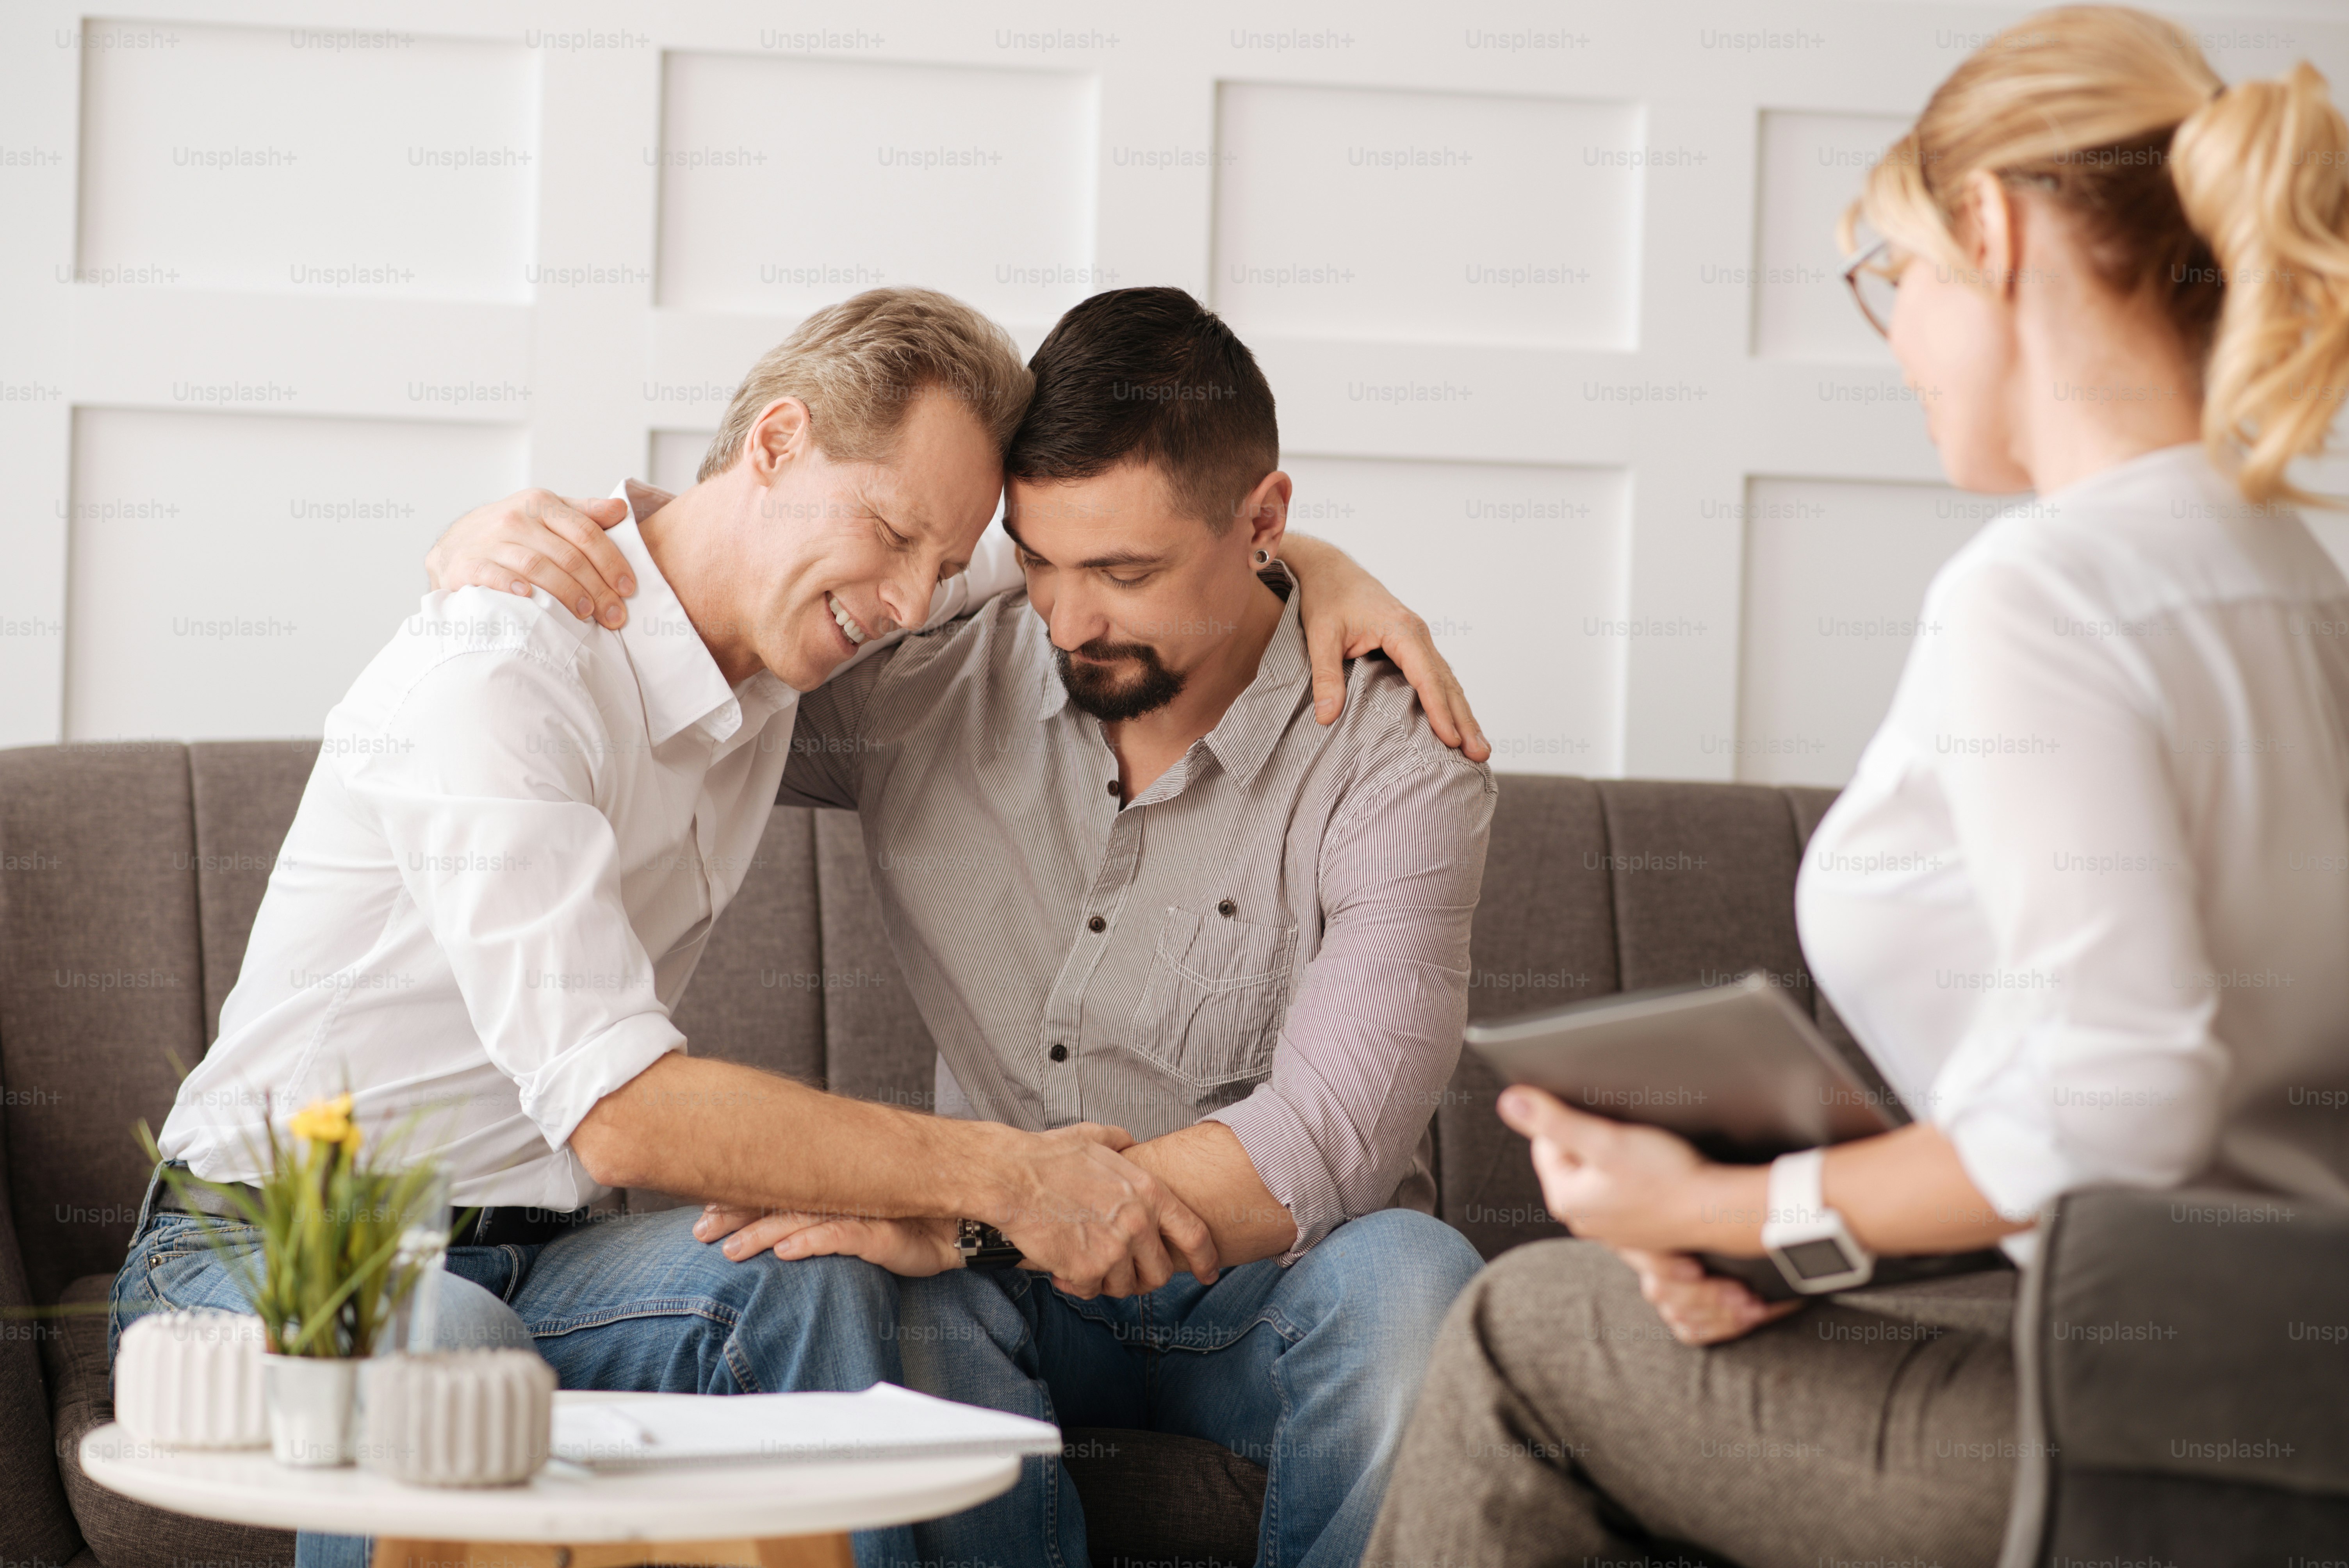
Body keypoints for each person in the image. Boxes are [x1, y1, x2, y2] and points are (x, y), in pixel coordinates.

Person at [110, 286, 1477, 1568]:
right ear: (776, 440)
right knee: (448, 1341)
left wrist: (1318, 564)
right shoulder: (530, 664)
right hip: (281, 1238)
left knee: (830, 1291)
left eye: (946, 564)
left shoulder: (808, 662)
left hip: (569, 1251)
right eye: (907, 542)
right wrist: (999, 1185)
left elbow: (1327, 1136)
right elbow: (623, 1113)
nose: (912, 601)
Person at [1363, 11, 2349, 1568]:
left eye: (1895, 279)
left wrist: (1726, 1213)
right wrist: (1801, 1239)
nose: (1893, 340)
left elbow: (2122, 1102)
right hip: (2284, 1403)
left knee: (1519, 1330)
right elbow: (2198, 1136)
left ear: (1991, 229)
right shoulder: (2297, 580)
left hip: (2121, 1436)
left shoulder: (2046, 591)